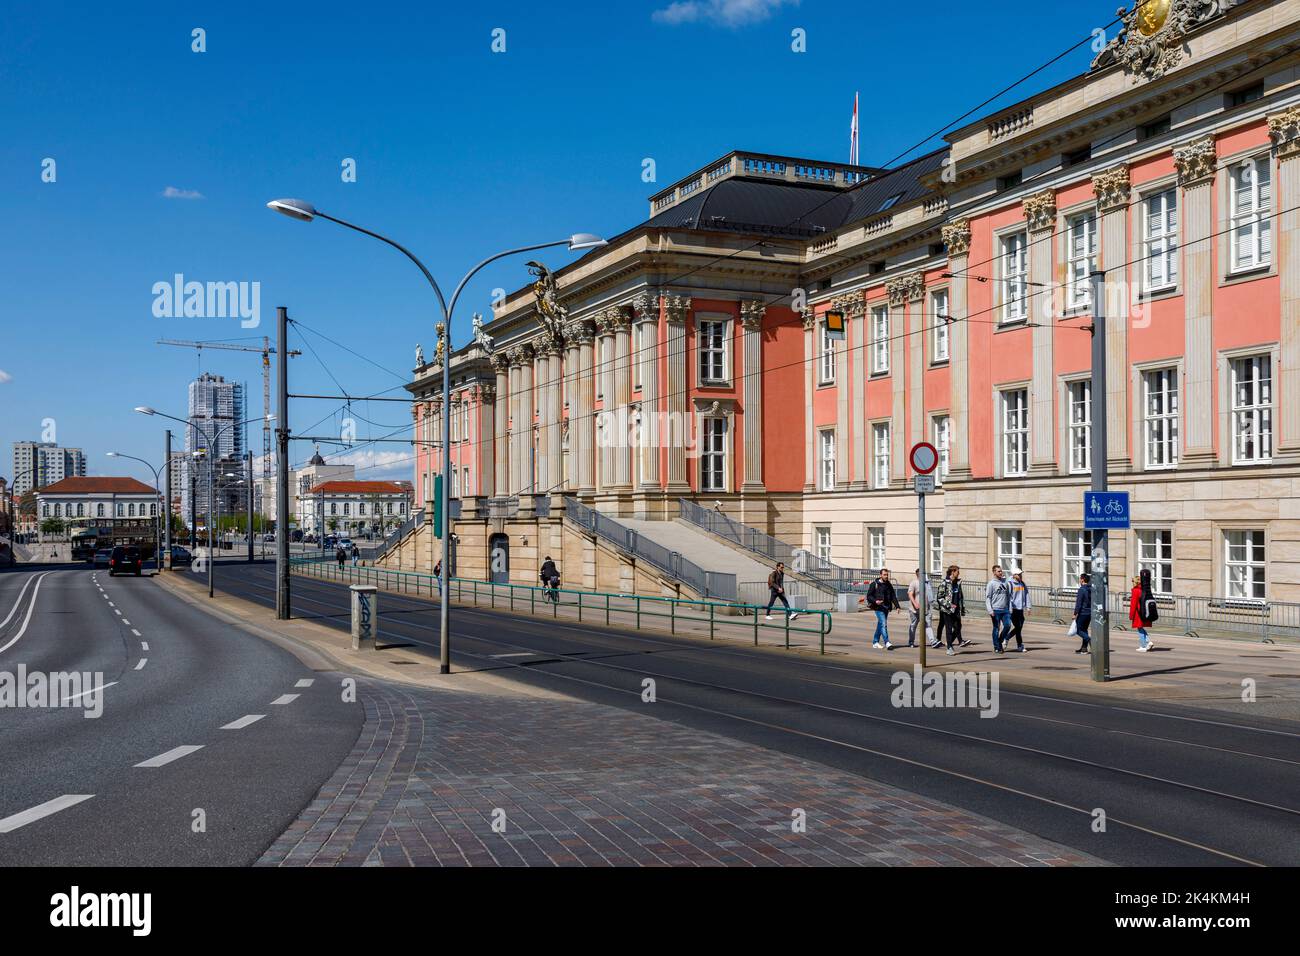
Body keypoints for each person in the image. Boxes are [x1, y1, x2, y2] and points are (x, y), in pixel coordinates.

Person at [935, 565, 970, 655]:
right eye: (957, 571)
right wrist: (949, 605)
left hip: (956, 610)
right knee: (949, 628)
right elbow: (939, 598)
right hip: (947, 610)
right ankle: (949, 647)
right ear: (952, 572)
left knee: (959, 627)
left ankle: (949, 642)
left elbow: (960, 596)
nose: (959, 573)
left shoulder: (958, 583)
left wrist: (962, 608)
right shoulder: (944, 584)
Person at [866, 568, 900, 650]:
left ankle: (875, 642)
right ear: (880, 575)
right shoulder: (874, 584)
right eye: (884, 575)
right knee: (883, 624)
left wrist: (897, 606)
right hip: (878, 608)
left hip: (886, 607)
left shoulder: (888, 584)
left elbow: (893, 596)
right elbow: (869, 596)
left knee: (880, 625)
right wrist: (875, 601)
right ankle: (887, 642)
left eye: (887, 575)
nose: (886, 576)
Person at [984, 564, 1013, 654]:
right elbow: (988, 598)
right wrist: (990, 610)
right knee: (996, 628)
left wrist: (1010, 608)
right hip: (995, 610)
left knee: (1008, 625)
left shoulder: (1005, 582)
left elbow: (1009, 596)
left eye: (1001, 571)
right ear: (994, 572)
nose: (1001, 572)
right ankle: (997, 646)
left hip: (1005, 610)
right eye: (999, 571)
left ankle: (999, 641)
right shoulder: (991, 584)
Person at [907, 568, 935, 649]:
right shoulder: (914, 583)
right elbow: (910, 594)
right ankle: (911, 641)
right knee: (914, 625)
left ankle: (933, 641)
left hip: (926, 609)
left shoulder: (926, 583)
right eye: (923, 573)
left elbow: (929, 595)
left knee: (928, 625)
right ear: (918, 575)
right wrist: (915, 603)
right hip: (915, 609)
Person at [1130, 570, 1157, 651]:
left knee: (1140, 629)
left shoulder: (1135, 590)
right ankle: (1147, 643)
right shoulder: (1144, 589)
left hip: (1138, 613)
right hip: (1145, 612)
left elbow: (1133, 604)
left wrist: (1131, 615)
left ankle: (1144, 645)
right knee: (1141, 628)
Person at [1008, 567, 1031, 653]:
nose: (1021, 575)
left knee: (1019, 628)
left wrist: (1028, 607)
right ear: (1014, 575)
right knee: (1018, 627)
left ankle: (1006, 638)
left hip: (1020, 609)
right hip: (1013, 609)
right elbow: (1008, 598)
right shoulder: (1009, 584)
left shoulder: (1022, 584)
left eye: (1021, 574)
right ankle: (1020, 645)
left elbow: (1026, 595)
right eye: (1019, 574)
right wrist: (1010, 609)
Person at [1073, 573, 1092, 653]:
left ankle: (1089, 639)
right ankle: (1084, 648)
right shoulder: (1091, 589)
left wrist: (1075, 613)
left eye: (1080, 578)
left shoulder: (1082, 589)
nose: (1079, 580)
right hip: (1090, 613)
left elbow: (1079, 603)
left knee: (1077, 629)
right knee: (1084, 630)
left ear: (1083, 580)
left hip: (1083, 612)